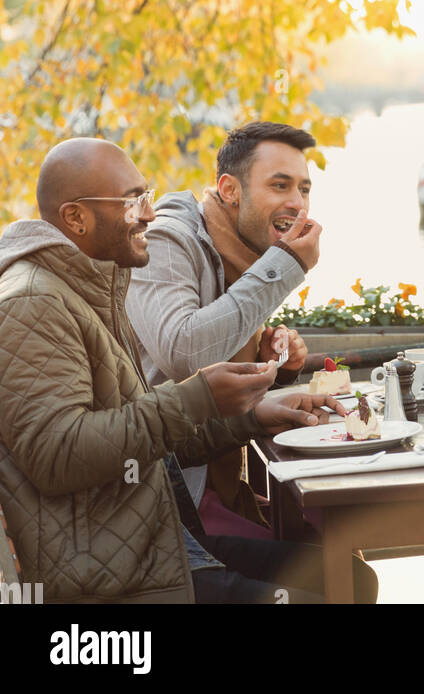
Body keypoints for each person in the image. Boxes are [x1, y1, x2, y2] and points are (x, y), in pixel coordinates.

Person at [0, 136, 377, 603]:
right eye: (132, 202)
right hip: (109, 573)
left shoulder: (91, 284)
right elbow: (58, 456)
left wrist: (253, 418)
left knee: (351, 577)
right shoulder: (33, 302)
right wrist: (196, 397)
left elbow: (142, 438)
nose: (149, 215)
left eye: (148, 197)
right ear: (75, 217)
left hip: (158, 540)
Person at [126, 121, 322, 536]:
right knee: (339, 570)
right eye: (280, 185)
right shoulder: (167, 241)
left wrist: (276, 365)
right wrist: (287, 265)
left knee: (336, 536)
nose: (297, 204)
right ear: (230, 190)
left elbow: (220, 368)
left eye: (303, 189)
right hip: (167, 499)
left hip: (221, 482)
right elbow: (187, 353)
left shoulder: (243, 254)